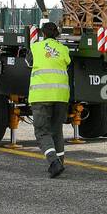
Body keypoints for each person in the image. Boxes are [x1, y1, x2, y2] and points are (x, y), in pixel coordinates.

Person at [28, 21, 71, 177]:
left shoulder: (36, 47)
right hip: (61, 96)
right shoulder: (63, 49)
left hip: (41, 96)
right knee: (56, 130)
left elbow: (28, 62)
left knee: (42, 131)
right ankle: (60, 162)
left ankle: (54, 162)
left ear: (43, 34)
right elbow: (67, 63)